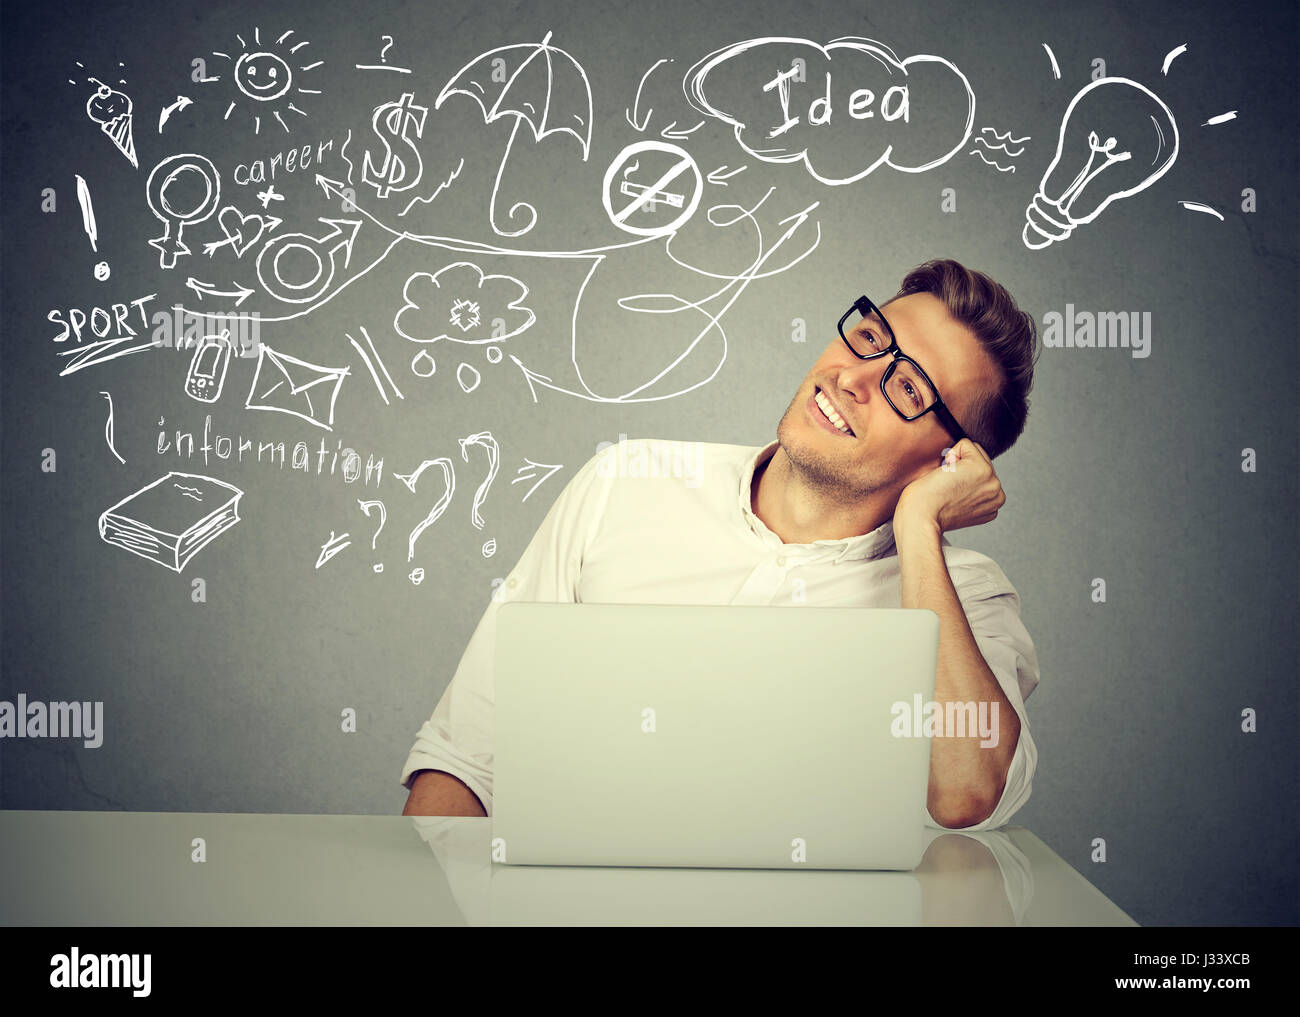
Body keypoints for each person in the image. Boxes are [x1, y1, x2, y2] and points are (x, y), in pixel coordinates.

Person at [401, 258, 1042, 830]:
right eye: (871, 338)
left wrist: (919, 529)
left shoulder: (969, 599)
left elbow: (966, 794)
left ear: (951, 459)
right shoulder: (623, 482)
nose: (854, 377)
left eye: (907, 389)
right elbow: (466, 758)